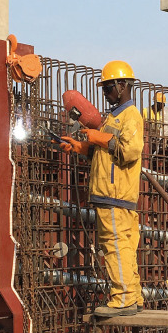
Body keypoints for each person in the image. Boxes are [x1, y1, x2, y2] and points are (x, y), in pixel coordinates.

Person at [61, 60, 145, 317]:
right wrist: (80, 147)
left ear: (123, 85)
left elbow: (129, 151)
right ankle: (134, 296)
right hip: (113, 194)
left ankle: (123, 299)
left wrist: (101, 137)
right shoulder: (113, 117)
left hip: (115, 195)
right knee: (125, 246)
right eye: (104, 88)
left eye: (108, 88)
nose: (106, 93)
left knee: (115, 245)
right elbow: (106, 153)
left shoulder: (130, 116)